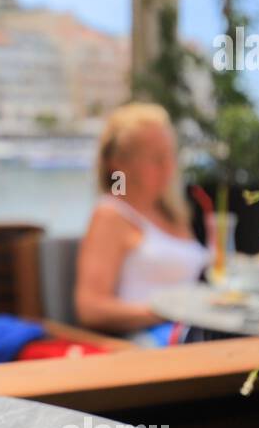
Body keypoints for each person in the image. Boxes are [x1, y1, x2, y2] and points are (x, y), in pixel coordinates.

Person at [75, 103, 209, 346]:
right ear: (119, 164)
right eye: (155, 158)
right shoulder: (111, 215)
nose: (168, 166)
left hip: (190, 333)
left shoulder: (174, 215)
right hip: (147, 343)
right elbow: (90, 308)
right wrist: (170, 311)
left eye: (170, 155)